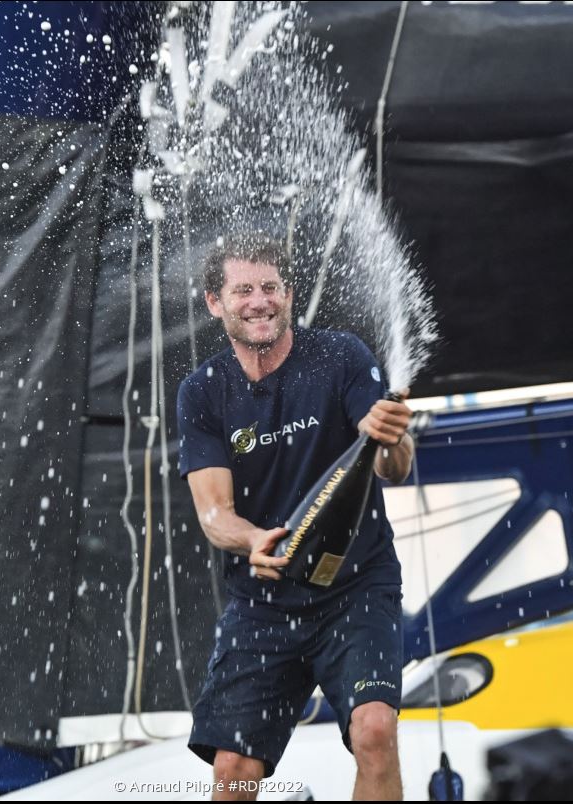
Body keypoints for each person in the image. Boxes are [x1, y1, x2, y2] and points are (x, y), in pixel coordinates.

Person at [177, 233, 414, 800]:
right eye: (243, 290)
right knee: (234, 769)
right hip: (262, 603)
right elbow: (214, 513)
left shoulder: (342, 356)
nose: (259, 301)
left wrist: (392, 437)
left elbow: (393, 467)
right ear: (215, 302)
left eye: (270, 287)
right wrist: (255, 541)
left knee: (375, 731)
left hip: (355, 588)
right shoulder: (202, 392)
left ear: (288, 294)